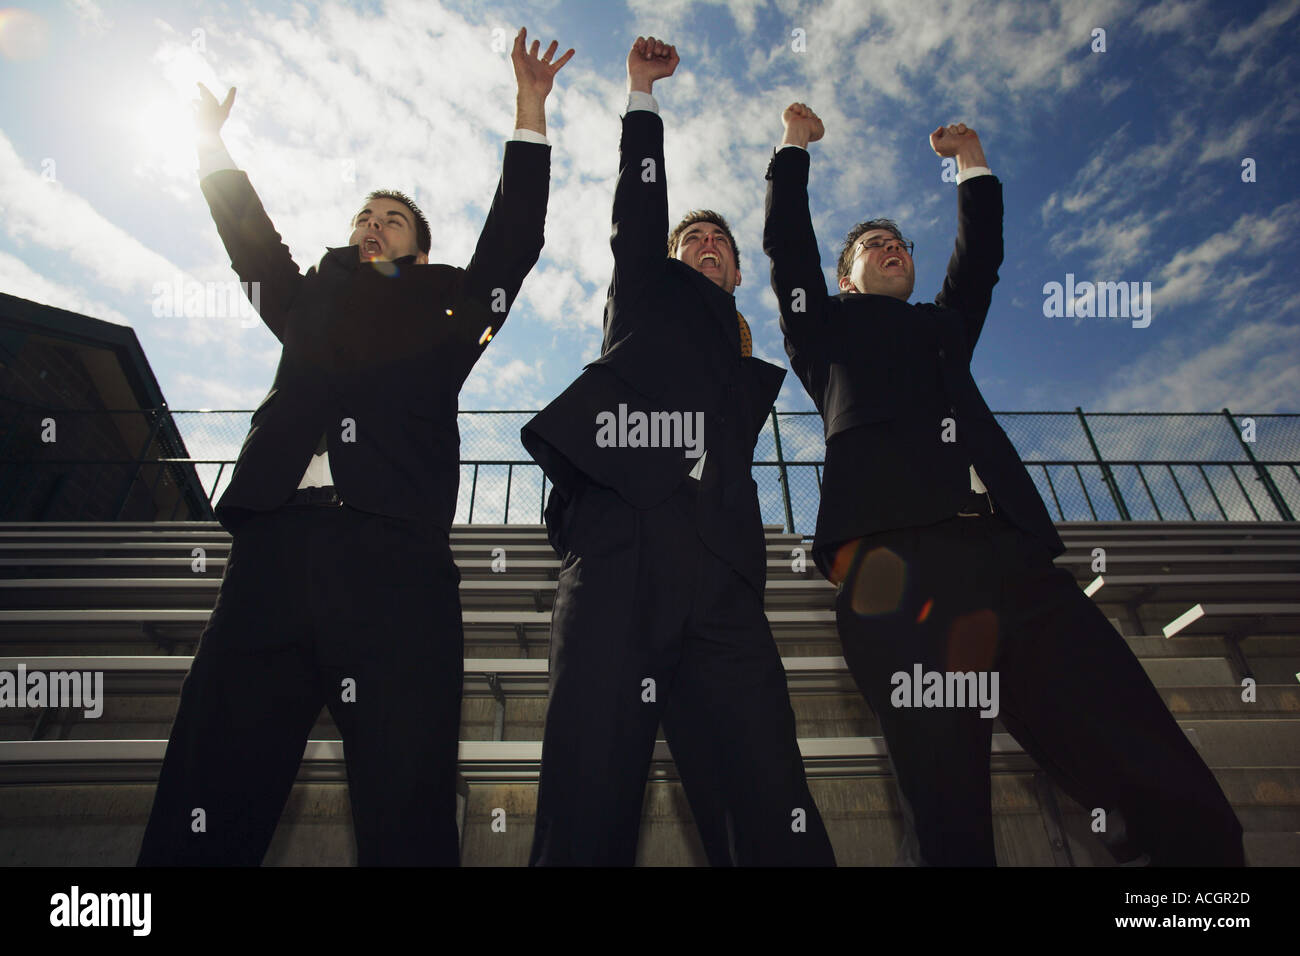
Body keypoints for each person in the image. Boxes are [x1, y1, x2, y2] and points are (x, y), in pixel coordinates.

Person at [762, 102, 1244, 866]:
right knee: (952, 823)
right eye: (872, 246)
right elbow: (789, 249)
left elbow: (977, 262)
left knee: (1160, 777)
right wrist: (793, 147)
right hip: (900, 573)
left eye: (899, 243)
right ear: (845, 281)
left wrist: (973, 160)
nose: (891, 248)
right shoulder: (824, 334)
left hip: (1015, 565)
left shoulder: (944, 329)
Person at [137, 28, 572, 866]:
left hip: (393, 564)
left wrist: (529, 110)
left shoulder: (449, 317)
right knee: (210, 784)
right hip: (273, 552)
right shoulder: (306, 305)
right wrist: (209, 144)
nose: (374, 225)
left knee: (405, 797)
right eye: (364, 217)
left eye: (393, 219)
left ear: (419, 246)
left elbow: (513, 244)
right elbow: (251, 245)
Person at [520, 39, 835, 867]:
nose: (705, 243)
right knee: (590, 790)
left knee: (768, 794)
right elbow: (639, 207)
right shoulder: (645, 296)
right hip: (621, 545)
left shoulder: (738, 366)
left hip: (723, 580)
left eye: (719, 243)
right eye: (690, 236)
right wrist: (640, 94)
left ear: (735, 275)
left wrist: (795, 154)